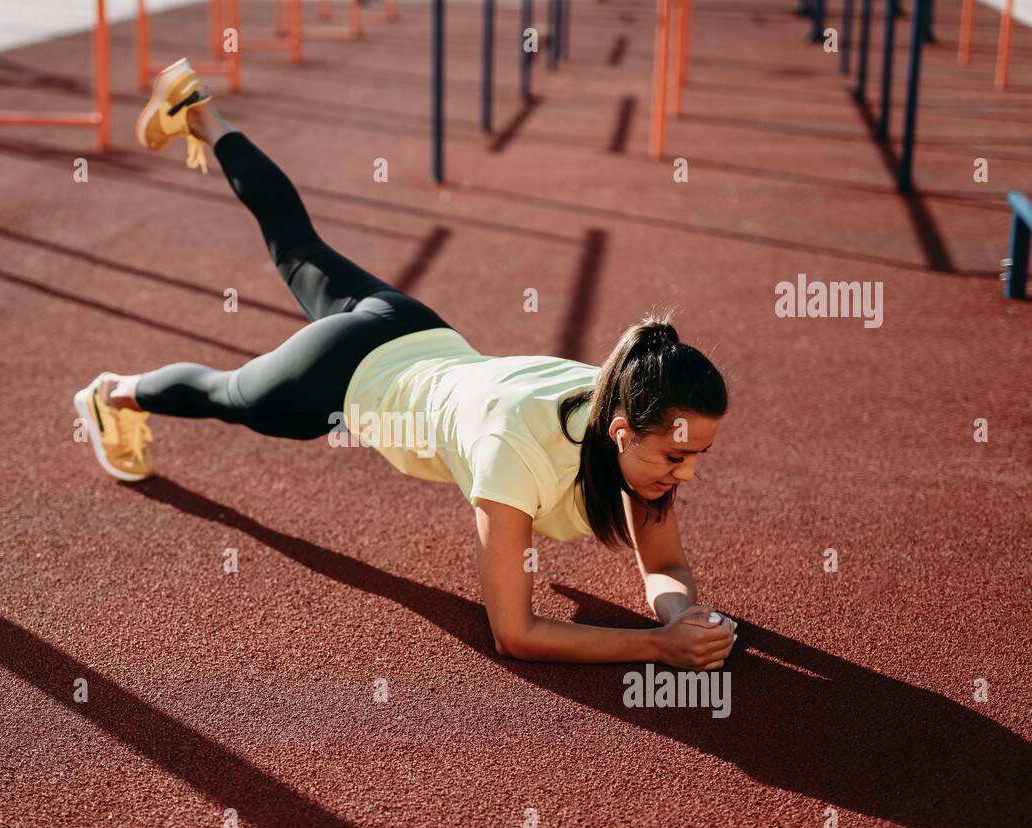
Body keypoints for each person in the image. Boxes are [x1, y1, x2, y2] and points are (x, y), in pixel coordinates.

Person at [74, 59, 738, 670]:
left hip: (412, 327)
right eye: (678, 458)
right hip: (339, 378)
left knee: (297, 244)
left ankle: (200, 113)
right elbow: (515, 633)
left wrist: (686, 617)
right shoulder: (513, 451)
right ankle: (113, 394)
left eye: (695, 454)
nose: (689, 470)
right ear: (621, 431)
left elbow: (667, 563)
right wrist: (658, 647)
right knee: (230, 396)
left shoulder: (626, 394)